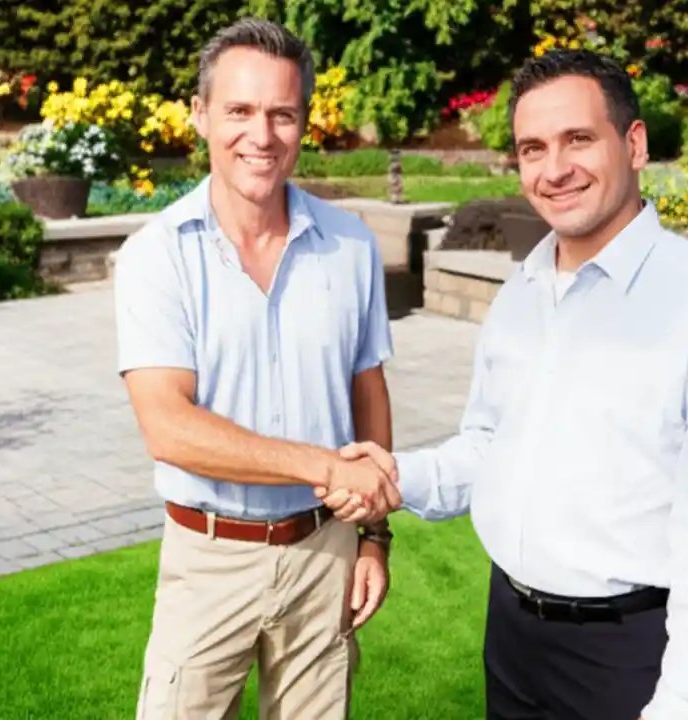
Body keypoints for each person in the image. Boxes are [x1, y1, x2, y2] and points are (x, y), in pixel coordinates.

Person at [324, 49, 688, 720]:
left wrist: (684, 702)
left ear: (634, 144)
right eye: (533, 148)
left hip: (630, 660)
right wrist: (397, 475)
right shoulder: (524, 288)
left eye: (578, 139)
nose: (555, 168)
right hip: (512, 637)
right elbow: (491, 445)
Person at [114, 18, 400, 720]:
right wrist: (327, 469)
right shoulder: (158, 256)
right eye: (239, 111)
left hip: (325, 554)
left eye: (282, 113)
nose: (261, 134)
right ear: (201, 115)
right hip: (209, 559)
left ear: (305, 121)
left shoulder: (351, 246)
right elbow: (170, 429)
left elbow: (369, 391)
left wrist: (374, 537)